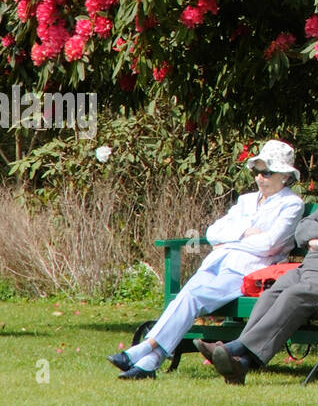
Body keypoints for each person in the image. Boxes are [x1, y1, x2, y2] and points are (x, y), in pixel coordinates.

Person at [196, 131, 318, 383]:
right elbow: (302, 232)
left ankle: (234, 349)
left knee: (294, 295)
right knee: (271, 293)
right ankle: (241, 363)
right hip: (306, 269)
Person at [109, 140, 304, 380]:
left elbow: (269, 245)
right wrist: (245, 232)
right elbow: (213, 233)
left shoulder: (291, 204)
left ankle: (143, 350)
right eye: (257, 171)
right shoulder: (245, 201)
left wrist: (232, 237)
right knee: (186, 296)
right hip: (216, 263)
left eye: (267, 172)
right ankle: (149, 363)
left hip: (247, 273)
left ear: (284, 176)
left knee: (191, 296)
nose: (259, 178)